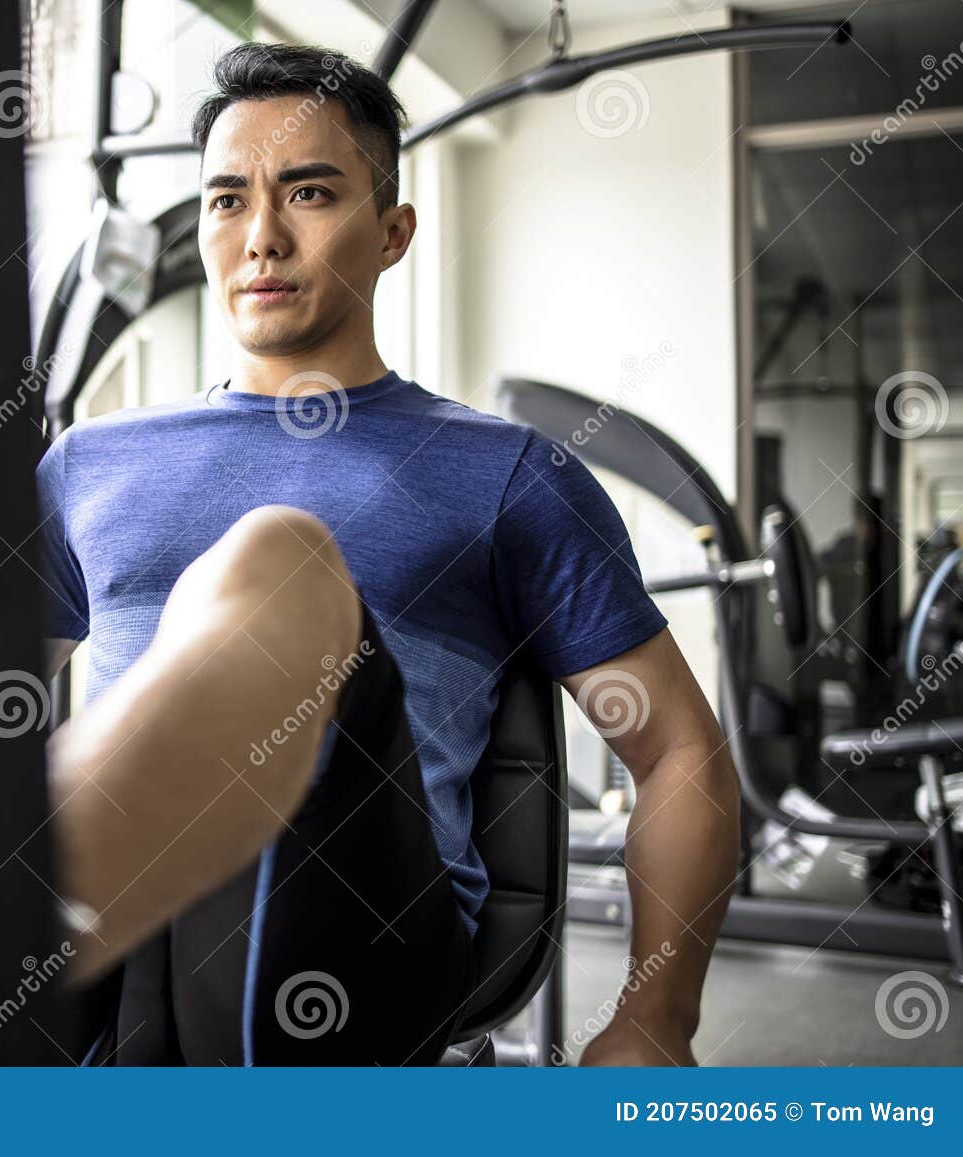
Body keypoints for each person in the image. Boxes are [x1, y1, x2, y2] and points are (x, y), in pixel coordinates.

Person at [37, 42, 739, 1067]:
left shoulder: (507, 472)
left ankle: (6, 926)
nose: (261, 236)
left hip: (358, 948)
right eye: (226, 200)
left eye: (308, 192)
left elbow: (678, 749)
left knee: (277, 560)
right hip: (116, 973)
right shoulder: (88, 462)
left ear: (393, 231)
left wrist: (652, 1018)